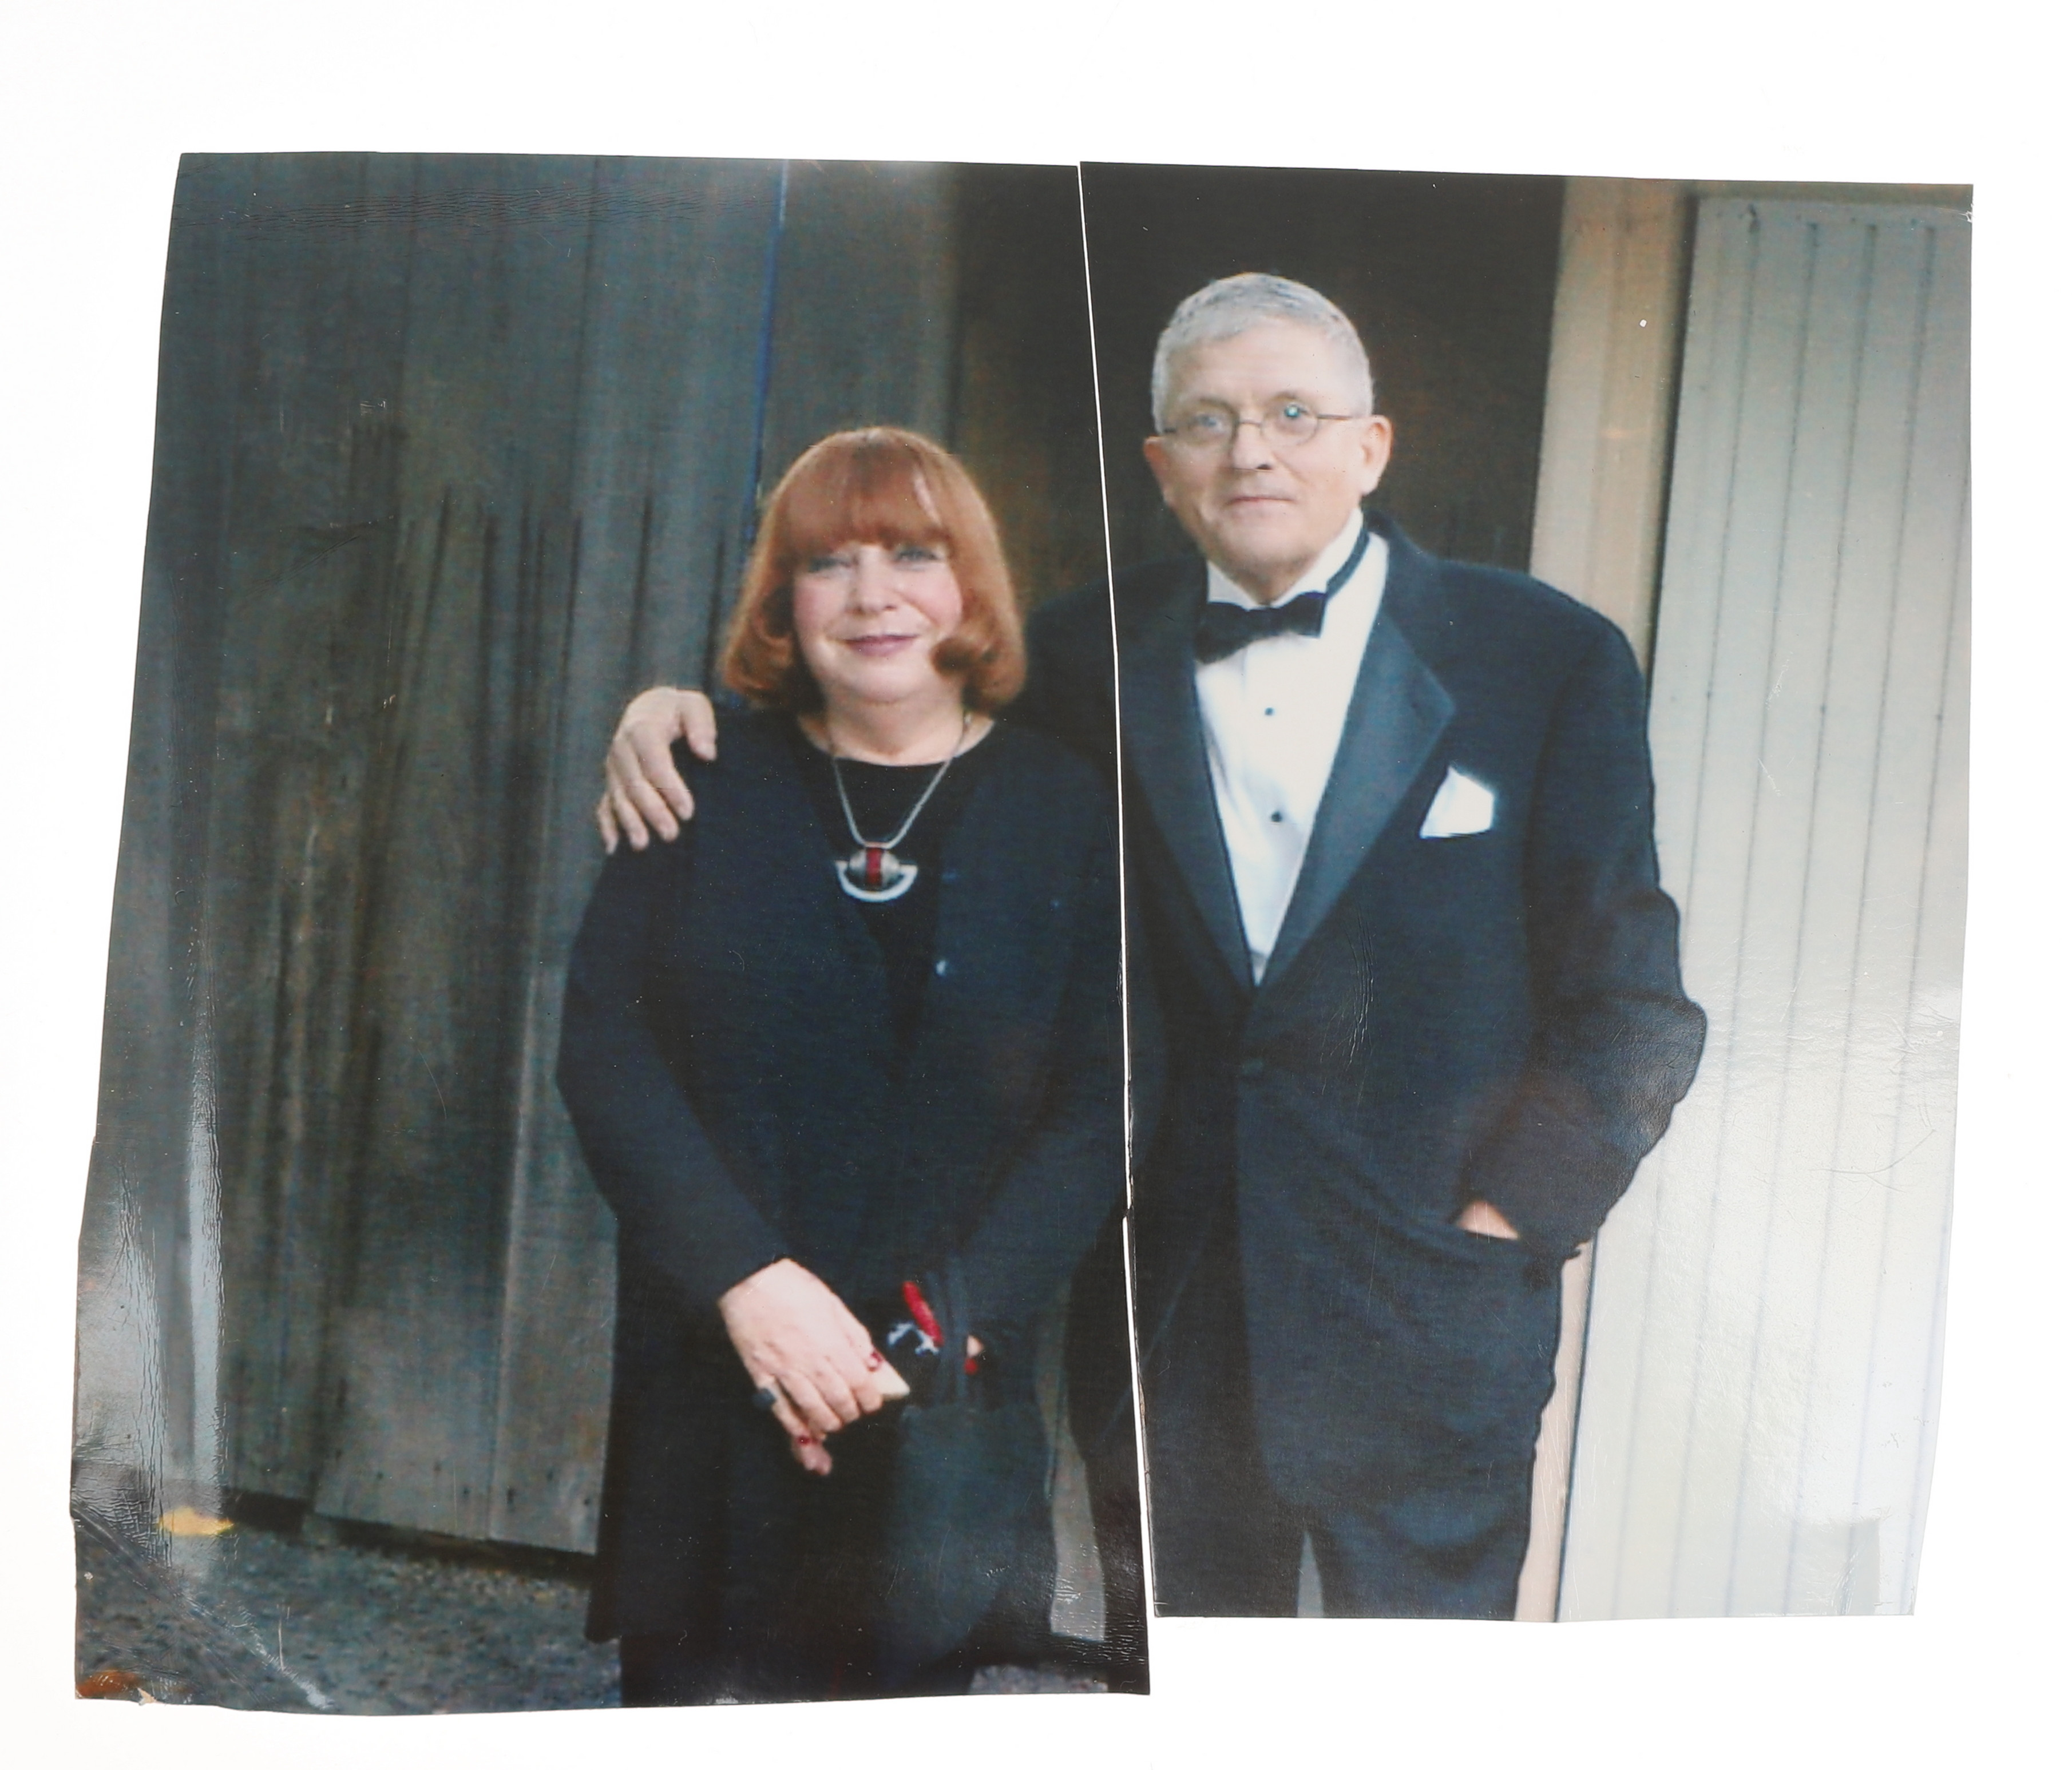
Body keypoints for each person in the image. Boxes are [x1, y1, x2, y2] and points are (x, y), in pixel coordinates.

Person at [595, 275, 1706, 1621]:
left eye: (1294, 412)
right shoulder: (1073, 655)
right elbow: (881, 709)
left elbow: (1631, 1007)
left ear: (1370, 445)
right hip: (1168, 1313)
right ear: (1160, 465)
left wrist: (1502, 1225)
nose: (1252, 450)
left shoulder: (1544, 656)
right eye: (1209, 420)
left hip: (1427, 1306)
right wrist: (678, 715)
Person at [557, 426, 1126, 1703]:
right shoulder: (698, 776)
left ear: (970, 585)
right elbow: (606, 1050)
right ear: (784, 599)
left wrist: (921, 1341)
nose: (873, 595)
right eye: (830, 563)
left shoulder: (1066, 807)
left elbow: (1101, 1105)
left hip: (939, 1387)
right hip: (716, 1366)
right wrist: (752, 1289)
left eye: (913, 554)